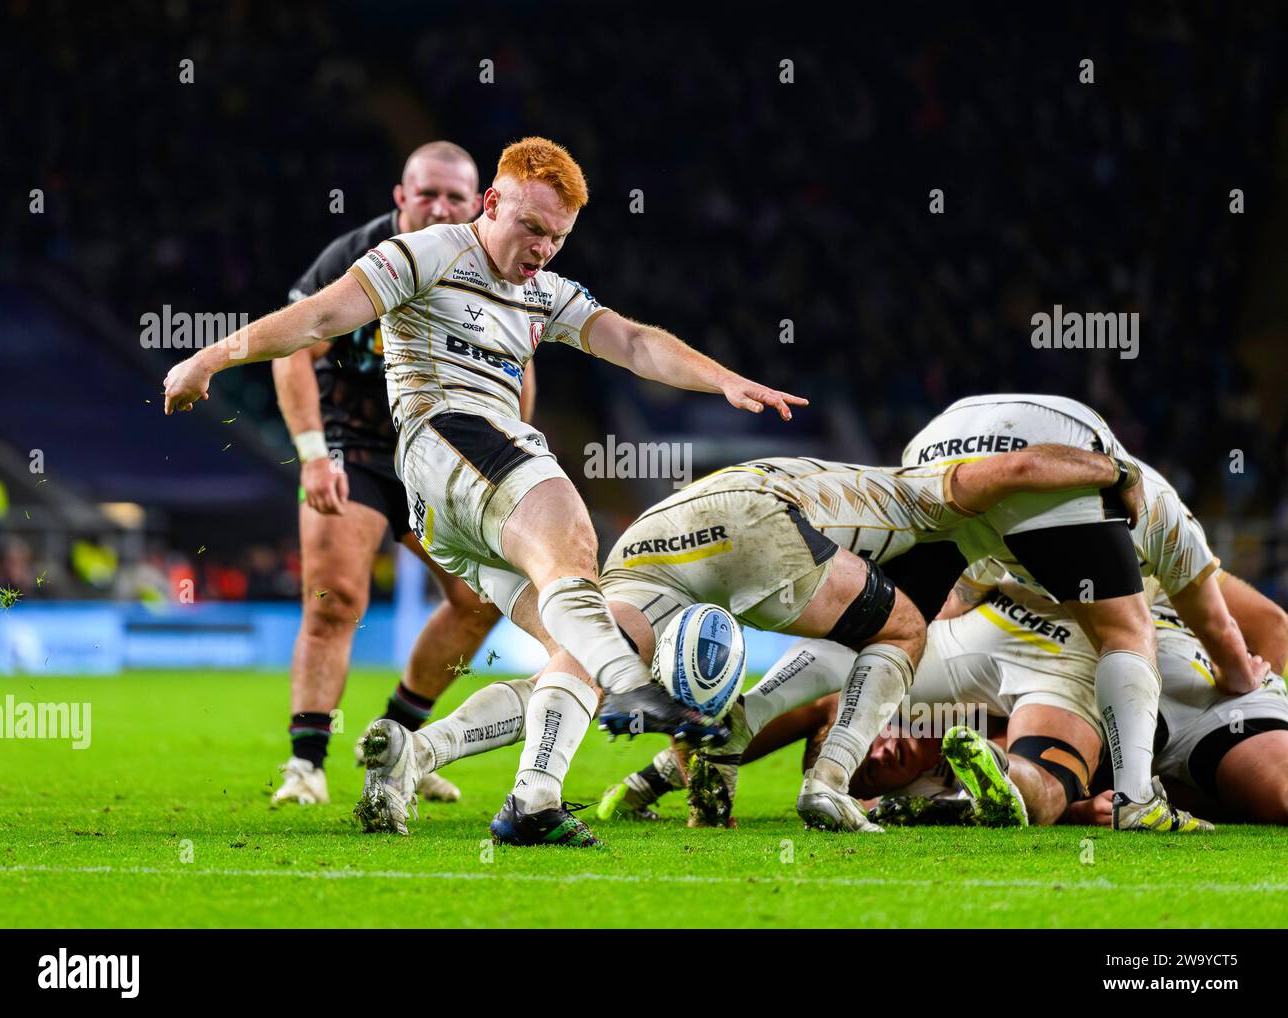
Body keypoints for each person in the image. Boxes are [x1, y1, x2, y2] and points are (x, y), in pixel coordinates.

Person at [162, 136, 804, 847]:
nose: (541, 250)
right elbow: (316, 317)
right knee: (573, 538)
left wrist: (724, 379)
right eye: (531, 229)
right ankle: (622, 680)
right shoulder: (426, 254)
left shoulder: (543, 292)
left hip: (458, 505)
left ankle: (489, 781)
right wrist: (210, 356)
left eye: (557, 238)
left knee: (578, 636)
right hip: (441, 442)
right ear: (492, 203)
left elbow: (632, 341)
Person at [395, 444, 1142, 834]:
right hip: (756, 518)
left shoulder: (893, 527)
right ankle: (827, 787)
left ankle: (419, 750)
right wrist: (1116, 471)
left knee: (588, 668)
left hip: (661, 528)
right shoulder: (933, 489)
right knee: (903, 631)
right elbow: (1017, 466)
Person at [271, 140, 537, 807]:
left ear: (482, 204)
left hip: (439, 460)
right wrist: (311, 452)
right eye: (427, 194)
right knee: (335, 598)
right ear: (401, 197)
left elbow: (518, 371)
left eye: (454, 196)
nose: (440, 206)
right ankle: (305, 767)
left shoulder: (497, 270)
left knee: (480, 600)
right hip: (353, 449)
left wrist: (504, 465)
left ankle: (399, 743)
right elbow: (294, 350)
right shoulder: (356, 255)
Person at [901, 394, 1270, 830]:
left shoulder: (1158, 523)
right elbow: (1221, 625)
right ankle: (1131, 799)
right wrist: (1243, 676)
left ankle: (838, 775)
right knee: (1125, 641)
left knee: (875, 640)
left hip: (937, 452)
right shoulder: (1160, 518)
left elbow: (953, 600)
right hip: (1066, 670)